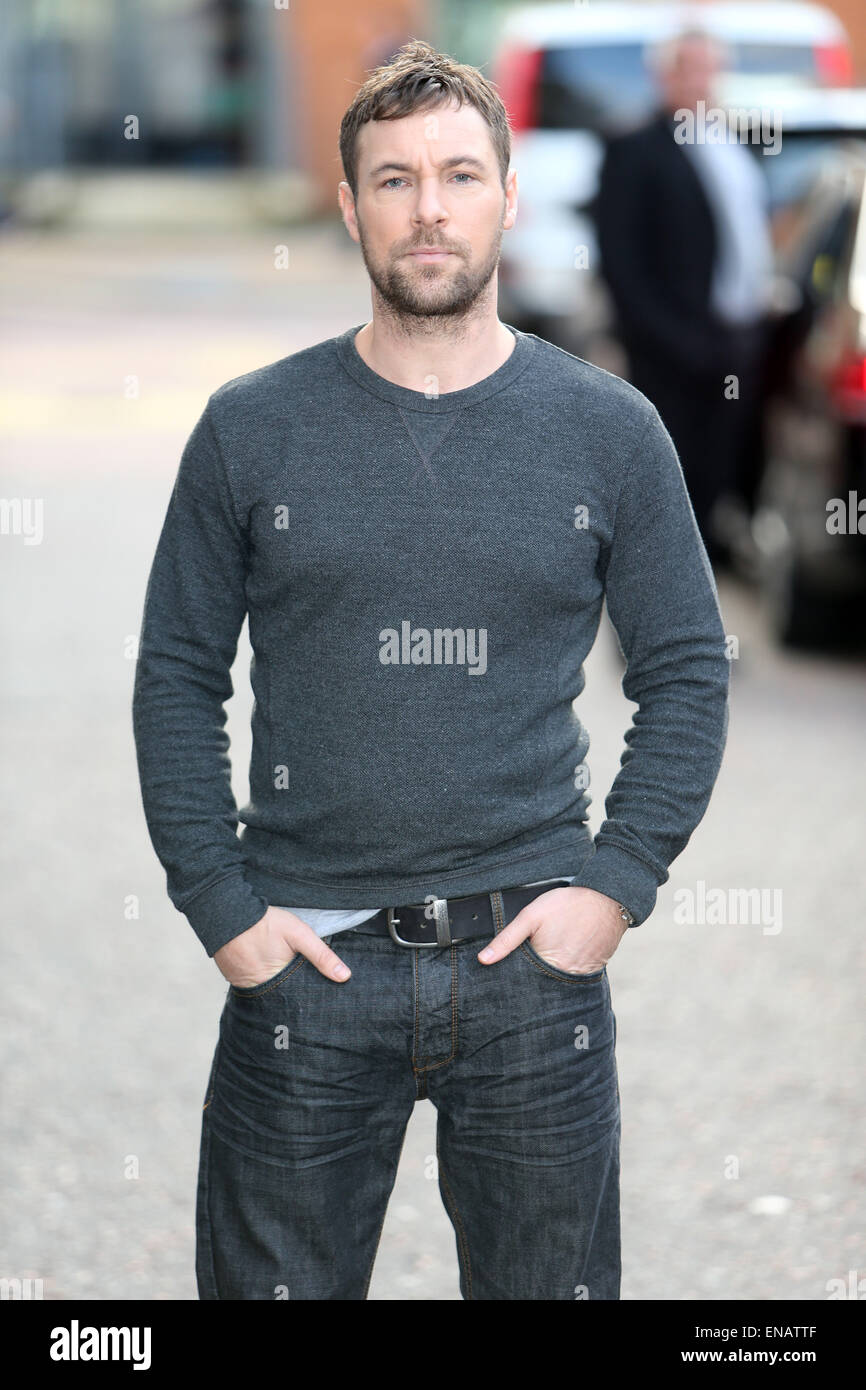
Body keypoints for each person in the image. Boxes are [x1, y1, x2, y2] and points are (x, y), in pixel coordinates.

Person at [132, 39, 730, 1301]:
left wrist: (613, 886)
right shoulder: (254, 426)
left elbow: (685, 668)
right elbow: (178, 671)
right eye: (393, 179)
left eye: (460, 174)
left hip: (531, 975)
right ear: (347, 205)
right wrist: (223, 909)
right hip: (307, 970)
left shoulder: (606, 430)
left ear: (508, 196)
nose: (429, 208)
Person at [596, 28, 774, 566]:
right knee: (669, 500)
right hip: (676, 354)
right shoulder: (634, 148)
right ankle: (657, 640)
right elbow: (621, 265)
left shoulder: (733, 141)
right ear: (664, 75)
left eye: (709, 69)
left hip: (740, 342)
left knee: (717, 490)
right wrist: (679, 344)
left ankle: (701, 630)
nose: (702, 82)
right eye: (689, 70)